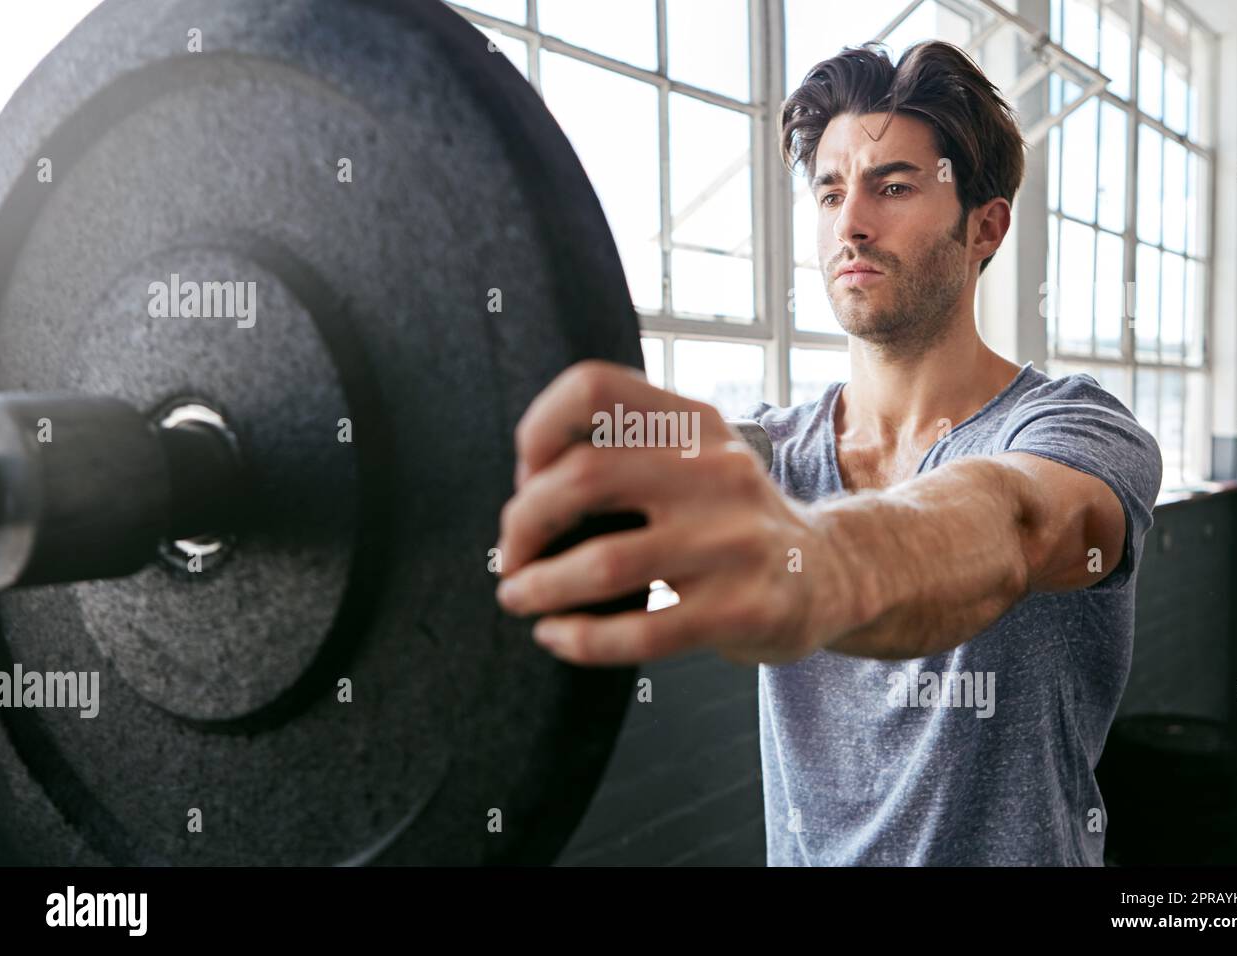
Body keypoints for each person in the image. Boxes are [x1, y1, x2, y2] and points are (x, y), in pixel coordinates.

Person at [494, 40, 1162, 866]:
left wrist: (827, 561)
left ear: (984, 226)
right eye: (832, 191)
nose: (851, 222)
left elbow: (1015, 522)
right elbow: (655, 497)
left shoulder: (1078, 431)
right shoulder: (768, 452)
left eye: (893, 187)